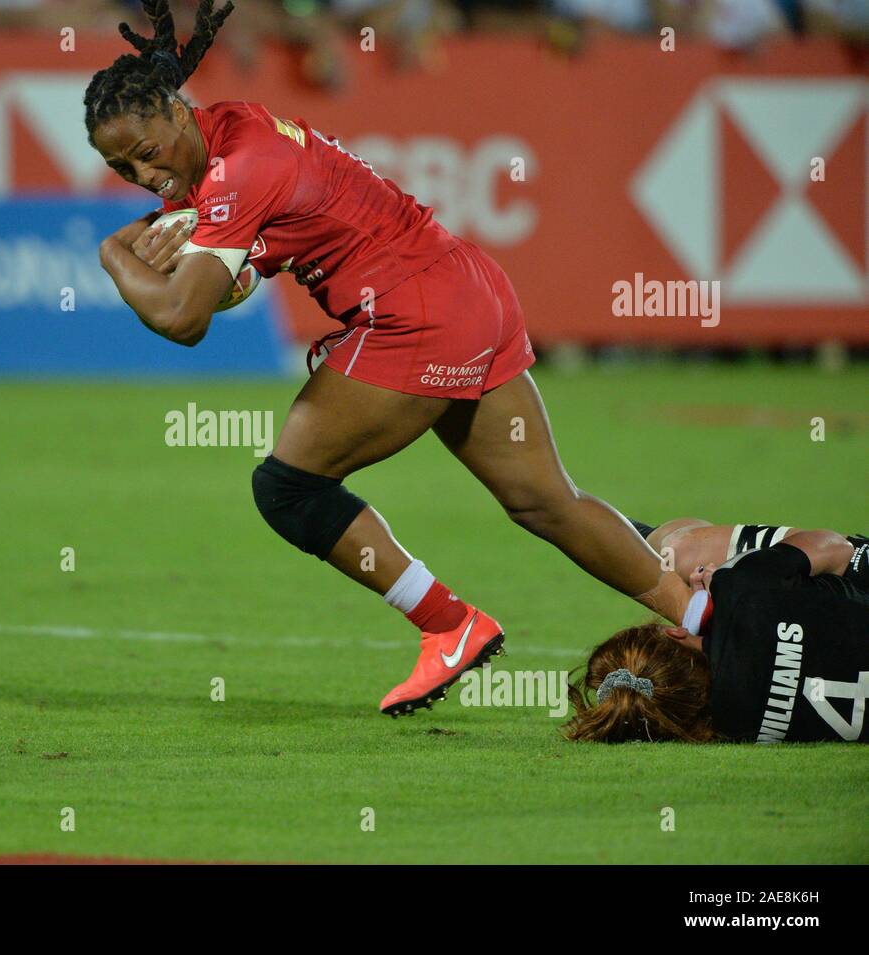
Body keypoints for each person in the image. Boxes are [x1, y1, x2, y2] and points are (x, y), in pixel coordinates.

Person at [88, 0, 692, 716]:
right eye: (119, 164)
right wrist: (210, 259)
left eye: (145, 150)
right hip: (469, 290)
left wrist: (113, 254)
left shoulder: (238, 170)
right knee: (546, 502)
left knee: (288, 487)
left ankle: (447, 622)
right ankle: (709, 622)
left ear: (176, 110)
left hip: (416, 317)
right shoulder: (235, 129)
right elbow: (251, 266)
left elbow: (184, 318)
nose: (140, 171)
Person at [566, 528, 868, 743]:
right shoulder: (740, 589)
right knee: (684, 547)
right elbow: (835, 548)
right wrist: (729, 576)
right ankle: (633, 530)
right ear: (675, 633)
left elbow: (753, 660)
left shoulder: (724, 728)